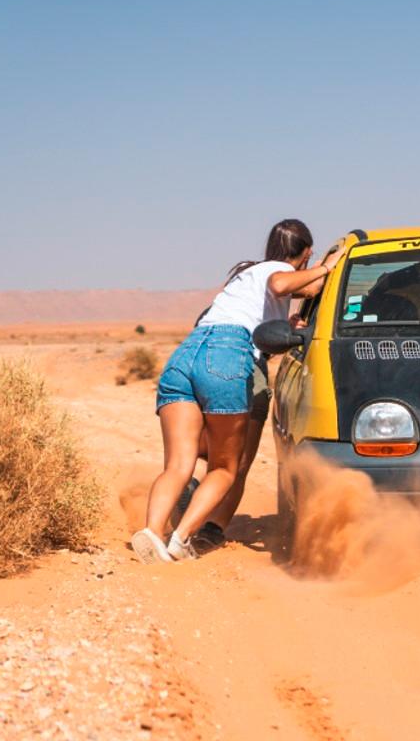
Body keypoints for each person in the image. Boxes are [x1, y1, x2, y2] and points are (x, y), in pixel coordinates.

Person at [130, 219, 340, 564]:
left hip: (186, 354)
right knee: (226, 468)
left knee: (178, 465)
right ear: (305, 253)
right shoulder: (276, 270)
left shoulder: (246, 276)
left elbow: (278, 301)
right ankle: (181, 539)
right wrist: (327, 267)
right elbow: (284, 282)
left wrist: (284, 323)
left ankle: (152, 531)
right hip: (227, 356)